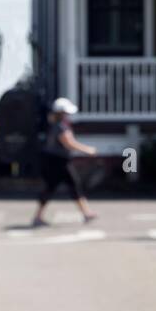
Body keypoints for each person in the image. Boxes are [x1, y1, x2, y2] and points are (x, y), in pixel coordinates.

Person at [33, 97, 97, 227]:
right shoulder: (60, 127)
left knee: (67, 186)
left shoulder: (59, 125)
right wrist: (87, 150)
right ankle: (86, 213)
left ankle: (86, 213)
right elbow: (69, 143)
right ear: (61, 113)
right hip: (57, 161)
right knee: (58, 187)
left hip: (57, 160)